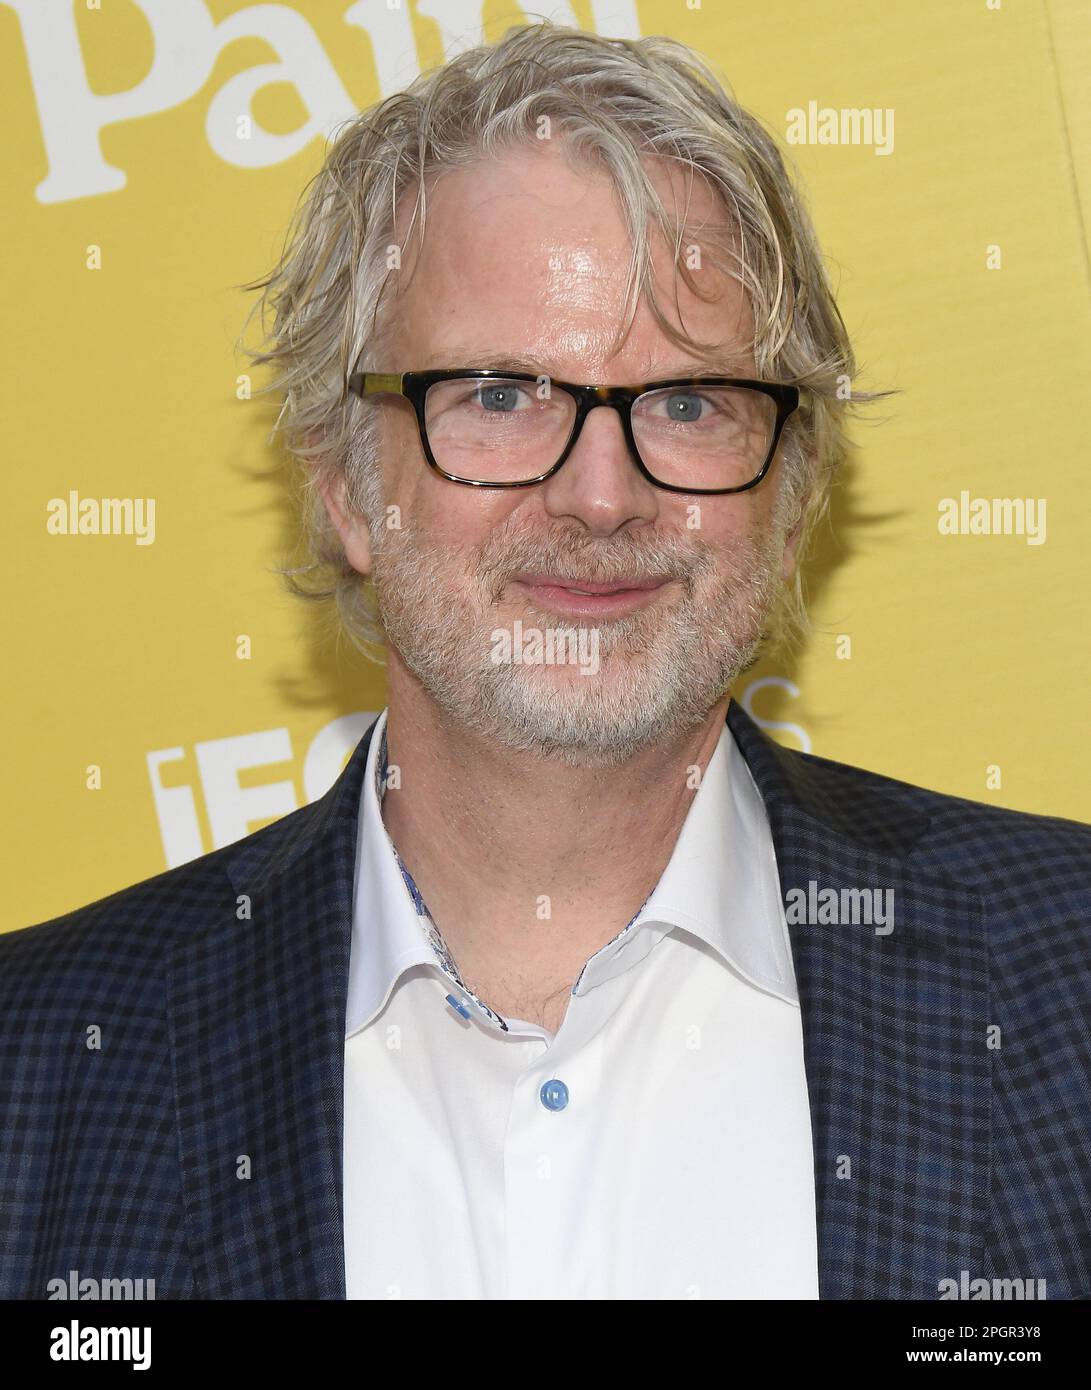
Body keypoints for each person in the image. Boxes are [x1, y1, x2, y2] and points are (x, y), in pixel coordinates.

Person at [2, 21, 1089, 1302]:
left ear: (792, 491)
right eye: (499, 395)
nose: (597, 493)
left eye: (685, 404)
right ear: (347, 486)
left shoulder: (1063, 975)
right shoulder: (40, 1056)